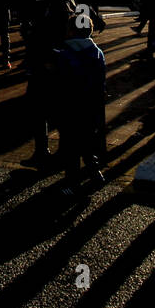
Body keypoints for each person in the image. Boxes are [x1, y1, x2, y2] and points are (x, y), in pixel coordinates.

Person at [22, 0, 76, 167]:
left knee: (55, 110)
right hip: (40, 59)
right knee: (38, 110)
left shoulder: (60, 1)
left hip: (53, 62)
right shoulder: (43, 0)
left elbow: (61, 32)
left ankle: (60, 152)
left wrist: (53, 58)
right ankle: (42, 151)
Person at [52, 14, 107, 197]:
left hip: (70, 106)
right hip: (91, 106)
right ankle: (94, 173)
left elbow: (61, 83)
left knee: (70, 147)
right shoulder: (97, 52)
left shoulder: (64, 55)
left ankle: (72, 183)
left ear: (71, 31)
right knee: (86, 142)